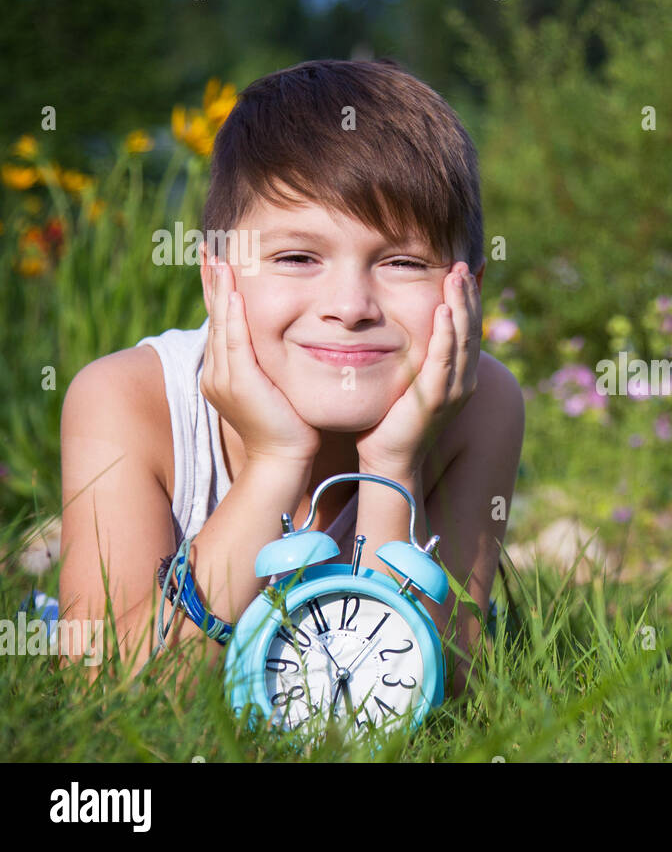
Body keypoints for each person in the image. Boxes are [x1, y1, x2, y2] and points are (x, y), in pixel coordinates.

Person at [57, 59, 525, 703]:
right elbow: (103, 694)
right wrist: (275, 463)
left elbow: (439, 690)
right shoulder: (129, 401)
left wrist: (391, 468)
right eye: (298, 257)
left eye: (402, 261)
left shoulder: (481, 405)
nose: (350, 305)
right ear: (216, 277)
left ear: (468, 292)